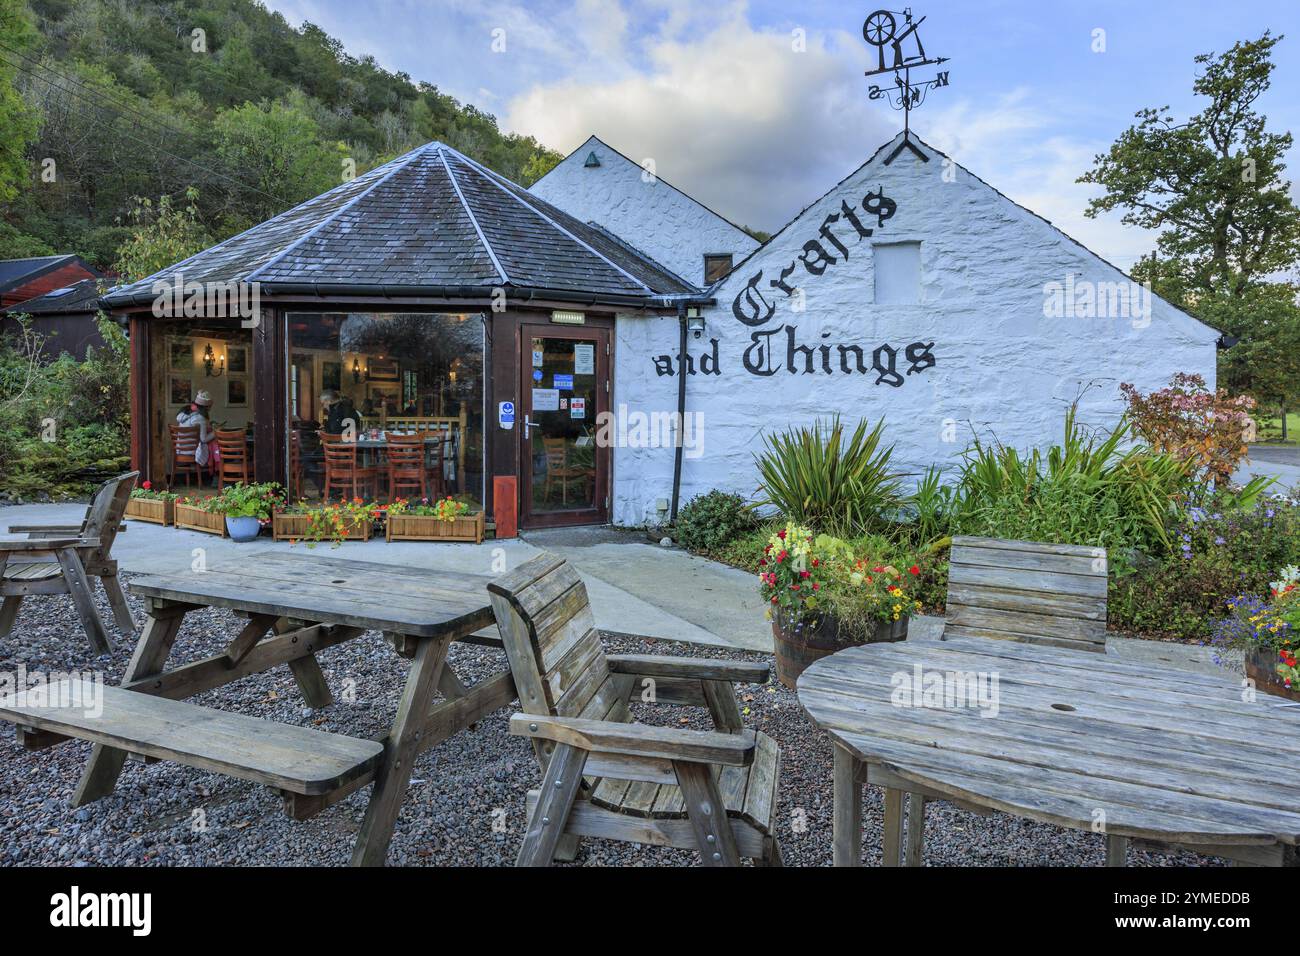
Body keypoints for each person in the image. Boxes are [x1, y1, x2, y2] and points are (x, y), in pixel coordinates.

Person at [176, 390, 216, 470]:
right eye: (209, 407)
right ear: (206, 407)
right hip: (192, 452)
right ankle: (217, 473)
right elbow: (204, 439)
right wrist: (216, 432)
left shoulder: (185, 414)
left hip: (180, 450)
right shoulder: (201, 418)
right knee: (215, 447)